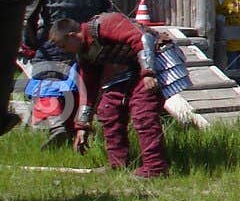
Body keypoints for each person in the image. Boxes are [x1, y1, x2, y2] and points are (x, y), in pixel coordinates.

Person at [52, 12, 169, 177]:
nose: (64, 51)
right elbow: (88, 87)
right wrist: (82, 126)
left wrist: (148, 72)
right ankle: (118, 163)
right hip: (123, 74)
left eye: (63, 46)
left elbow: (142, 39)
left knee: (143, 114)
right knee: (108, 111)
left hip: (151, 65)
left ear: (72, 36)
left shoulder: (105, 23)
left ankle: (155, 168)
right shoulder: (85, 53)